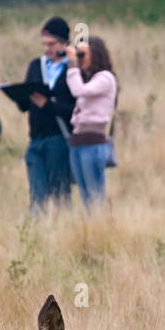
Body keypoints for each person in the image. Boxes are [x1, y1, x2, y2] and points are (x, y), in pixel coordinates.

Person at [22, 16, 76, 214]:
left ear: (64, 43)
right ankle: (38, 235)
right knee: (37, 194)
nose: (48, 49)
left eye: (52, 44)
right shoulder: (36, 65)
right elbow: (25, 104)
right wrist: (21, 96)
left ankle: (66, 232)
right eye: (45, 44)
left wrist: (48, 105)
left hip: (59, 138)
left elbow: (76, 110)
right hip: (35, 138)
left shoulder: (73, 68)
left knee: (60, 192)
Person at [65, 36, 117, 210]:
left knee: (95, 198)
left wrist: (72, 65)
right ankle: (93, 229)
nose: (79, 58)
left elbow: (77, 90)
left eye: (83, 54)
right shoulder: (87, 78)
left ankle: (101, 229)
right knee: (85, 197)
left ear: (96, 54)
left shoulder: (106, 78)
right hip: (78, 141)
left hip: (93, 143)